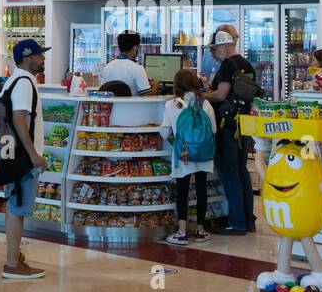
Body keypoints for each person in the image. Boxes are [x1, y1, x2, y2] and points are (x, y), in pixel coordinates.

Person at [1, 38, 49, 279]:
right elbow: (20, 119)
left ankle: (15, 256)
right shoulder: (24, 83)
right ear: (29, 57)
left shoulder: (15, 80)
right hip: (21, 157)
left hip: (14, 154)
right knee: (17, 208)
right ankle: (12, 264)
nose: (43, 59)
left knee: (14, 206)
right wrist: (34, 155)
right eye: (40, 55)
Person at [203, 29, 257, 234]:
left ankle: (236, 222)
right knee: (242, 171)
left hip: (227, 126)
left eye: (215, 48)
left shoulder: (228, 64)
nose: (214, 52)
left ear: (225, 45)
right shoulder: (247, 64)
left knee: (229, 173)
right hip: (243, 124)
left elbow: (221, 95)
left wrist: (202, 94)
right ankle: (248, 219)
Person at [161, 69, 217, 245]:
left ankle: (182, 232)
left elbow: (164, 132)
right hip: (204, 153)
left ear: (176, 85)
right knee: (201, 190)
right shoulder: (205, 103)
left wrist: (178, 143)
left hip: (183, 153)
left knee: (182, 191)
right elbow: (213, 130)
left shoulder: (172, 104)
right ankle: (200, 230)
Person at [98, 30, 153, 96]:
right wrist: (156, 85)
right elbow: (146, 95)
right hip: (132, 106)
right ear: (135, 48)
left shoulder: (107, 67)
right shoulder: (138, 68)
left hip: (113, 106)